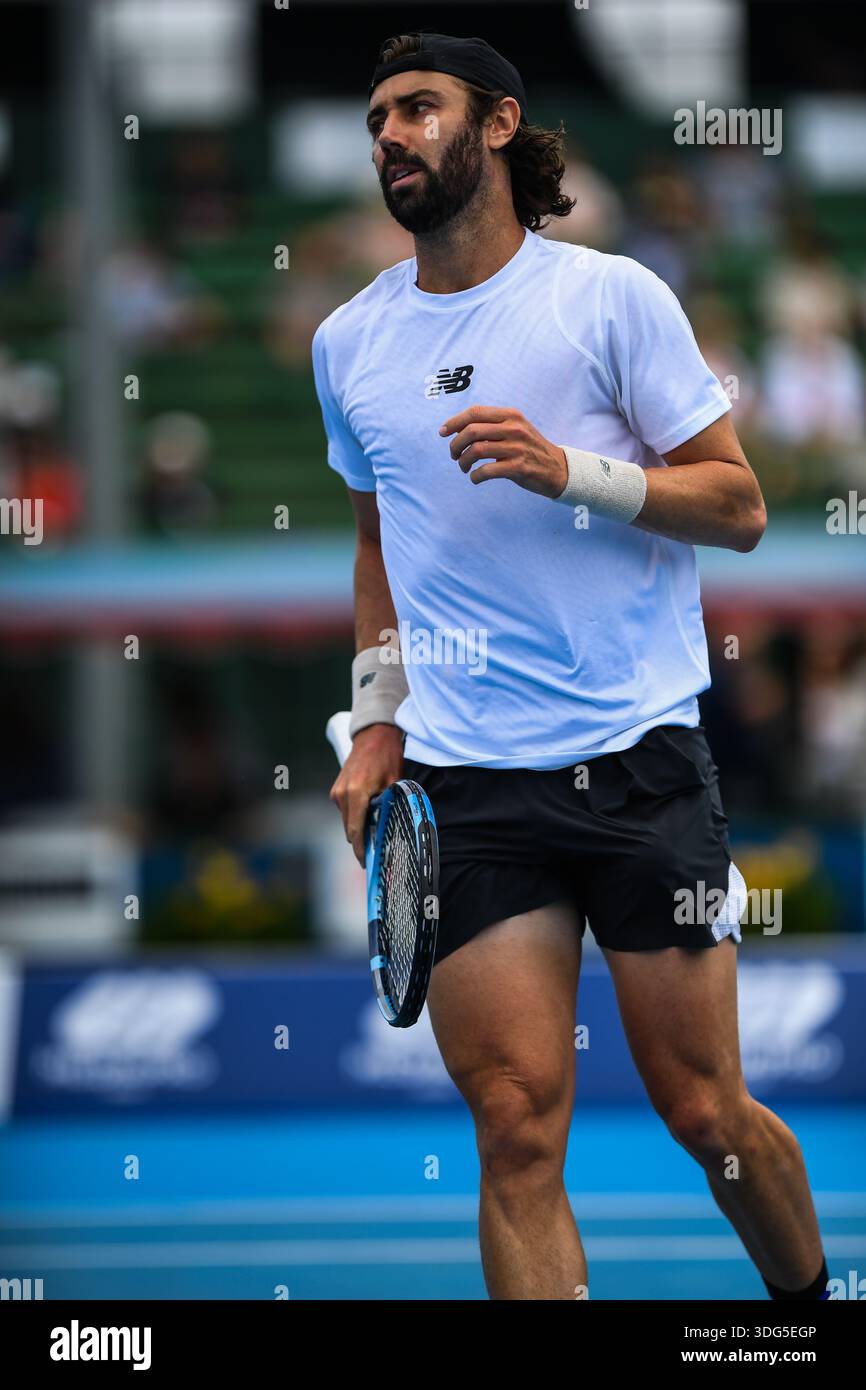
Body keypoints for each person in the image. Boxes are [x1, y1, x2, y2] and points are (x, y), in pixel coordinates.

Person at [312, 30, 828, 1303]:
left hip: (639, 763)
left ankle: (808, 1311)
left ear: (494, 124)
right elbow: (377, 537)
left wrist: (567, 470)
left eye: (416, 108)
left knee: (705, 1114)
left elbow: (738, 505)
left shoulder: (612, 298)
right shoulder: (348, 344)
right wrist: (375, 723)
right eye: (375, 116)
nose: (388, 134)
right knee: (514, 1123)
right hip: (464, 785)